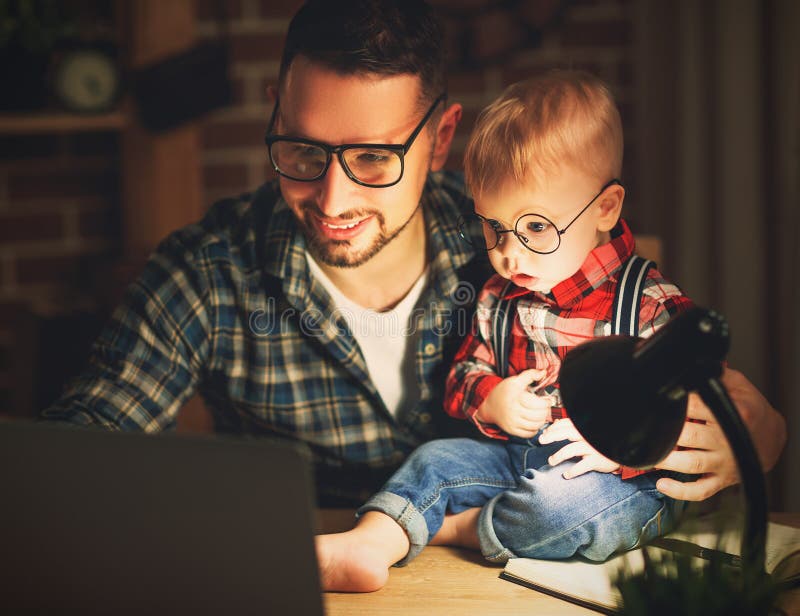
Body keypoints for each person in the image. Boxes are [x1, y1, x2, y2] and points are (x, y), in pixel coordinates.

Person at [41, 0, 784, 516]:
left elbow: (699, 380)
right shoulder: (206, 271)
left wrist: (759, 434)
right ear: (275, 110)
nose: (331, 199)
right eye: (301, 149)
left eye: (372, 158)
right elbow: (69, 456)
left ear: (440, 140)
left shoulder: (505, 237)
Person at [315, 70, 698, 592]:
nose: (508, 253)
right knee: (434, 459)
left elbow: (693, 410)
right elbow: (463, 375)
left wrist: (622, 452)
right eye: (494, 227)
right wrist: (491, 398)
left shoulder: (649, 303)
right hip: (517, 456)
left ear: (605, 208)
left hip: (614, 479)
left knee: (562, 508)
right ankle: (370, 540)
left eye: (536, 227)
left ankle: (460, 528)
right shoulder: (499, 296)